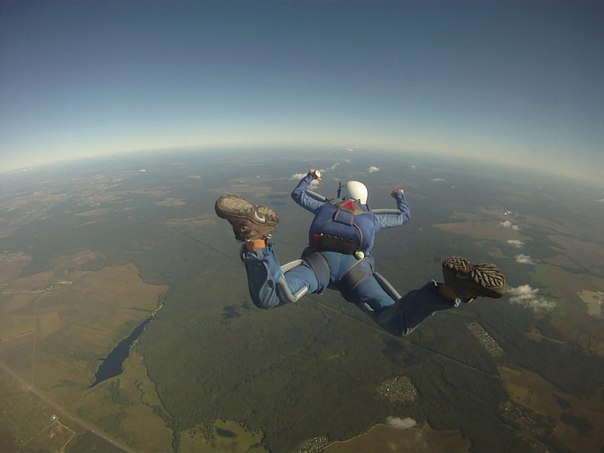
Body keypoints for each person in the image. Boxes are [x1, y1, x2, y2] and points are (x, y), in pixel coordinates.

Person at [215, 169, 506, 336]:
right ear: (364, 198)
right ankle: (451, 290)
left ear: (343, 194)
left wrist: (309, 177)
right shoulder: (373, 217)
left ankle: (256, 238)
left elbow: (297, 194)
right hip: (356, 270)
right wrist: (400, 196)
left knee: (270, 296)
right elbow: (404, 217)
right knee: (397, 320)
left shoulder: (327, 205)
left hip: (318, 263)